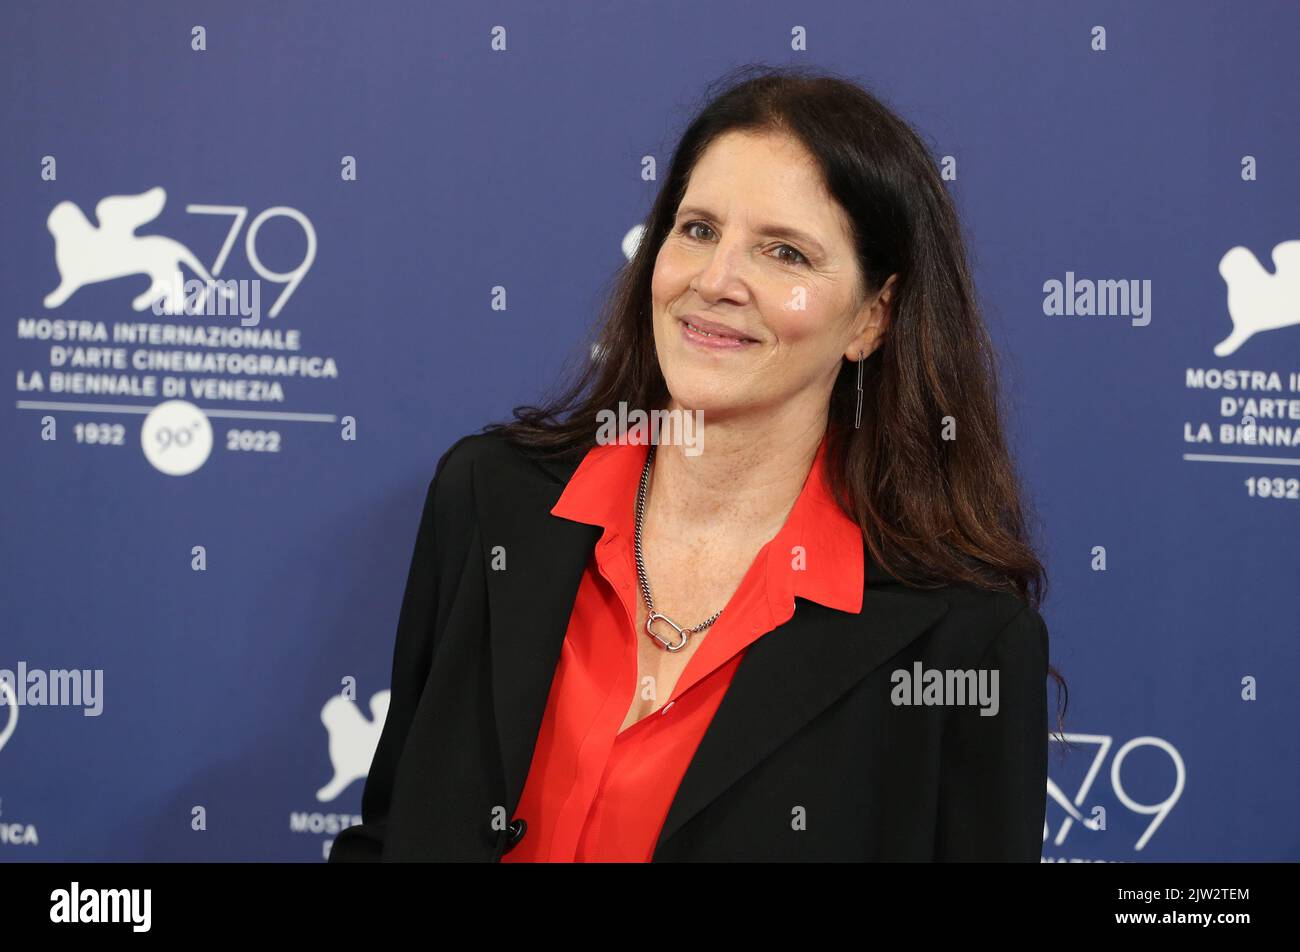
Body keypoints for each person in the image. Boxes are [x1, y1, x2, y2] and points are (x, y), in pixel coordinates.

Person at [329, 64, 1066, 863]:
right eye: (699, 230)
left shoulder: (961, 640)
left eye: (785, 253)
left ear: (872, 318)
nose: (717, 282)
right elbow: (394, 830)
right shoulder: (487, 500)